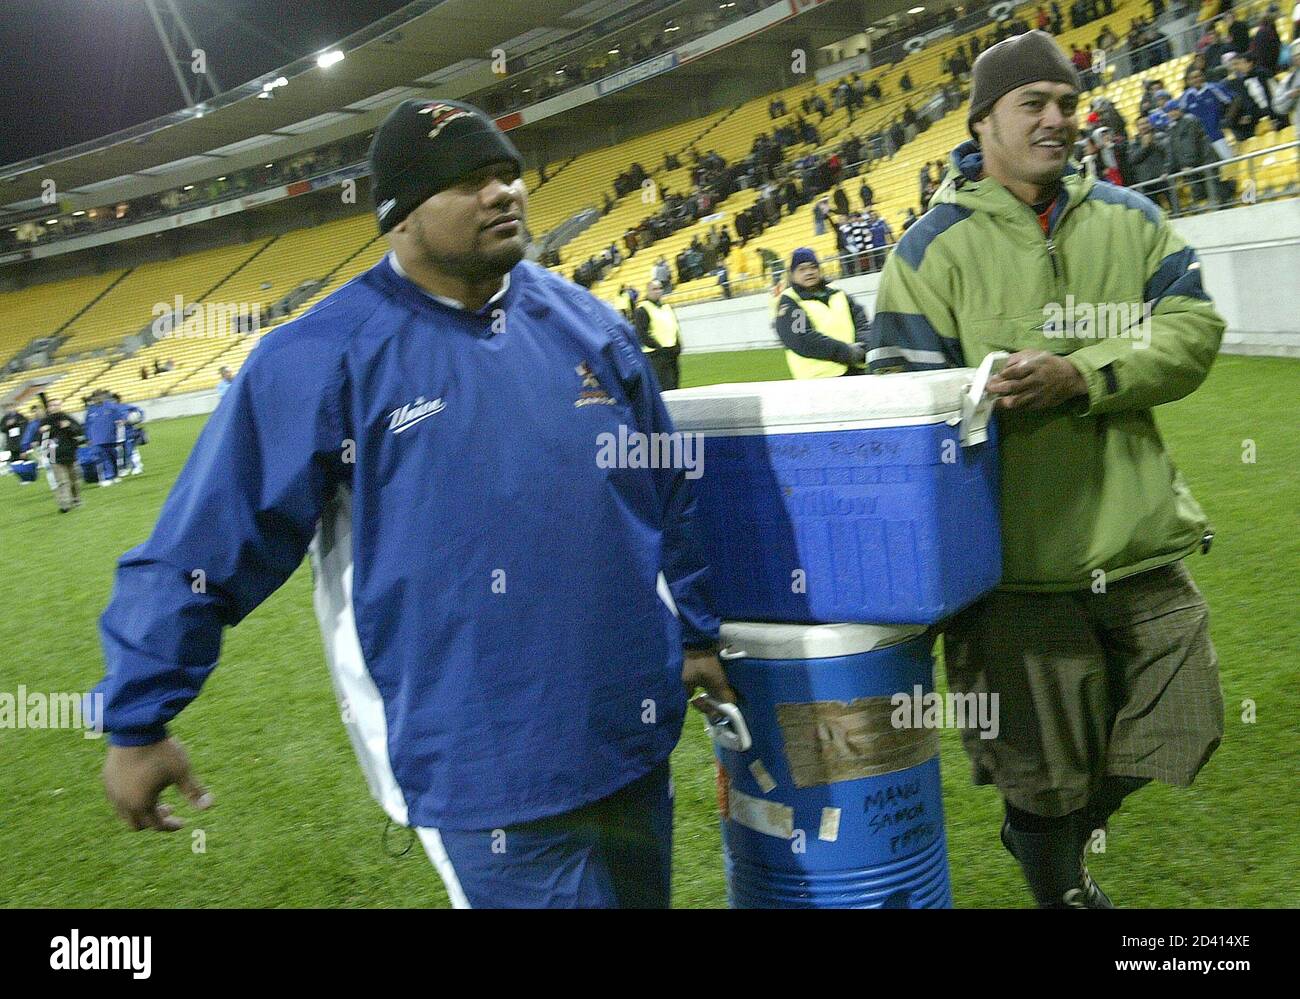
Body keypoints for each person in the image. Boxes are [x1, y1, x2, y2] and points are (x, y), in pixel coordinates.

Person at [92, 99, 731, 910]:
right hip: (481, 766)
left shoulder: (587, 323)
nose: (503, 193)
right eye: (467, 182)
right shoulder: (320, 357)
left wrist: (697, 631)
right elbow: (204, 544)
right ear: (399, 217)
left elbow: (663, 492)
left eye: (507, 173)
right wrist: (139, 718)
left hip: (627, 737)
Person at [869, 31, 1225, 909]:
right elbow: (898, 405)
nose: (1059, 119)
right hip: (1011, 566)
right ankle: (1061, 882)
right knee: (1041, 770)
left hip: (1139, 539)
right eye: (1035, 103)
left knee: (1187, 722)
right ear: (983, 120)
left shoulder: (1131, 217)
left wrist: (1082, 372)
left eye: (1068, 103)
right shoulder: (927, 249)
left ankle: (1045, 836)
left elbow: (1192, 332)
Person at [773, 247, 870, 379]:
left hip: (854, 371)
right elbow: (801, 338)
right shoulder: (791, 301)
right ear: (792, 274)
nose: (809, 273)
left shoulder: (838, 293)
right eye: (802, 269)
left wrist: (863, 346)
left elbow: (862, 323)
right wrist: (846, 352)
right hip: (819, 379)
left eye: (813, 267)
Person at [633, 279, 683, 391]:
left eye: (660, 288)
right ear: (648, 291)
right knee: (664, 387)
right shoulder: (642, 309)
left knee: (675, 386)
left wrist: (678, 344)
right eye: (654, 289)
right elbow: (642, 334)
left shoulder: (667, 307)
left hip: (672, 352)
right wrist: (658, 348)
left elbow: (674, 326)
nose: (658, 291)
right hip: (656, 355)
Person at [36, 399, 84, 513]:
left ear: (60, 406)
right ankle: (64, 504)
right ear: (48, 407)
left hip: (69, 452)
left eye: (56, 405)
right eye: (52, 405)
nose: (54, 407)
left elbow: (79, 431)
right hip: (53, 453)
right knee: (61, 481)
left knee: (73, 480)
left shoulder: (67, 418)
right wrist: (42, 432)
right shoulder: (45, 422)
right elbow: (40, 439)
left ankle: (76, 498)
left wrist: (68, 427)